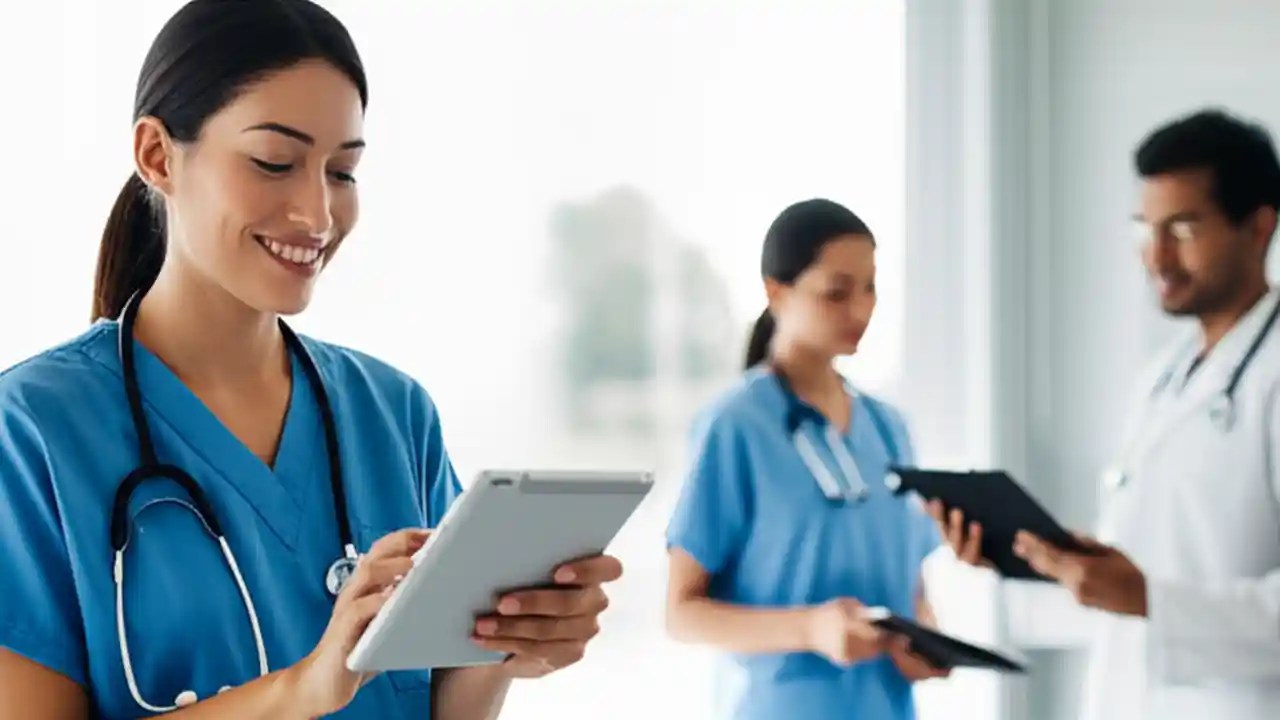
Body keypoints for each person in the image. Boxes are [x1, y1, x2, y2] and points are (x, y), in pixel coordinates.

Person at [0, 1, 620, 718]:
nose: (318, 213)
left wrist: (508, 651)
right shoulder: (33, 432)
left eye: (343, 172)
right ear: (157, 155)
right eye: (275, 162)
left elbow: (434, 706)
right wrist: (306, 687)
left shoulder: (393, 413)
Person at [935, 108, 1280, 719]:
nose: (1157, 258)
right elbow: (1138, 571)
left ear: (1258, 228)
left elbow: (1150, 594)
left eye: (1183, 229)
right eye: (1144, 230)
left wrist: (1150, 598)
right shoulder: (1163, 378)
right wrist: (1035, 559)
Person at [664, 199, 948, 720]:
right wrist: (810, 629)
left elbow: (909, 582)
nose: (860, 309)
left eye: (870, 288)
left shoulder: (890, 430)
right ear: (777, 292)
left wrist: (923, 636)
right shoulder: (737, 427)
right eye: (837, 292)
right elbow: (682, 613)